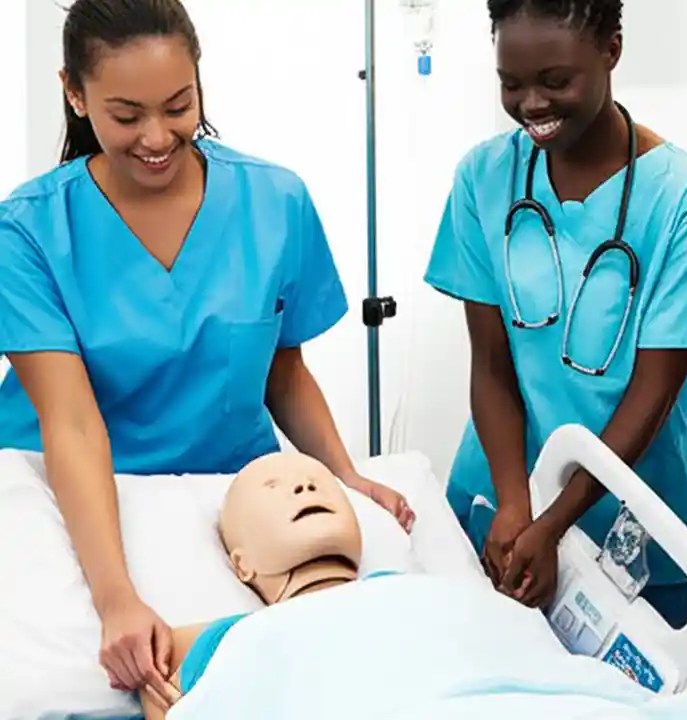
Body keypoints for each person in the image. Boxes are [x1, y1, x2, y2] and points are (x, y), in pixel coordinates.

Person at [0, 0, 414, 706]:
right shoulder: (31, 229)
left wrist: (344, 473)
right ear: (75, 93)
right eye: (126, 116)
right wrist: (116, 599)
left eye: (178, 105)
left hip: (227, 493)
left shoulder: (275, 200)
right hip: (72, 493)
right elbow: (69, 422)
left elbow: (284, 371)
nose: (158, 137)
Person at [423, 0, 687, 628]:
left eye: (556, 81)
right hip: (501, 511)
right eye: (512, 84)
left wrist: (556, 518)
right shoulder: (484, 177)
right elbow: (491, 363)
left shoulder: (685, 199)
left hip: (632, 524)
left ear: (611, 50)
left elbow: (654, 391)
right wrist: (515, 505)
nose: (532, 103)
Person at [139, 452, 687, 719]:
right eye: (274, 488)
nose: (304, 488)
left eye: (318, 481)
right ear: (239, 565)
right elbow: (153, 659)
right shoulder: (244, 637)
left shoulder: (440, 590)